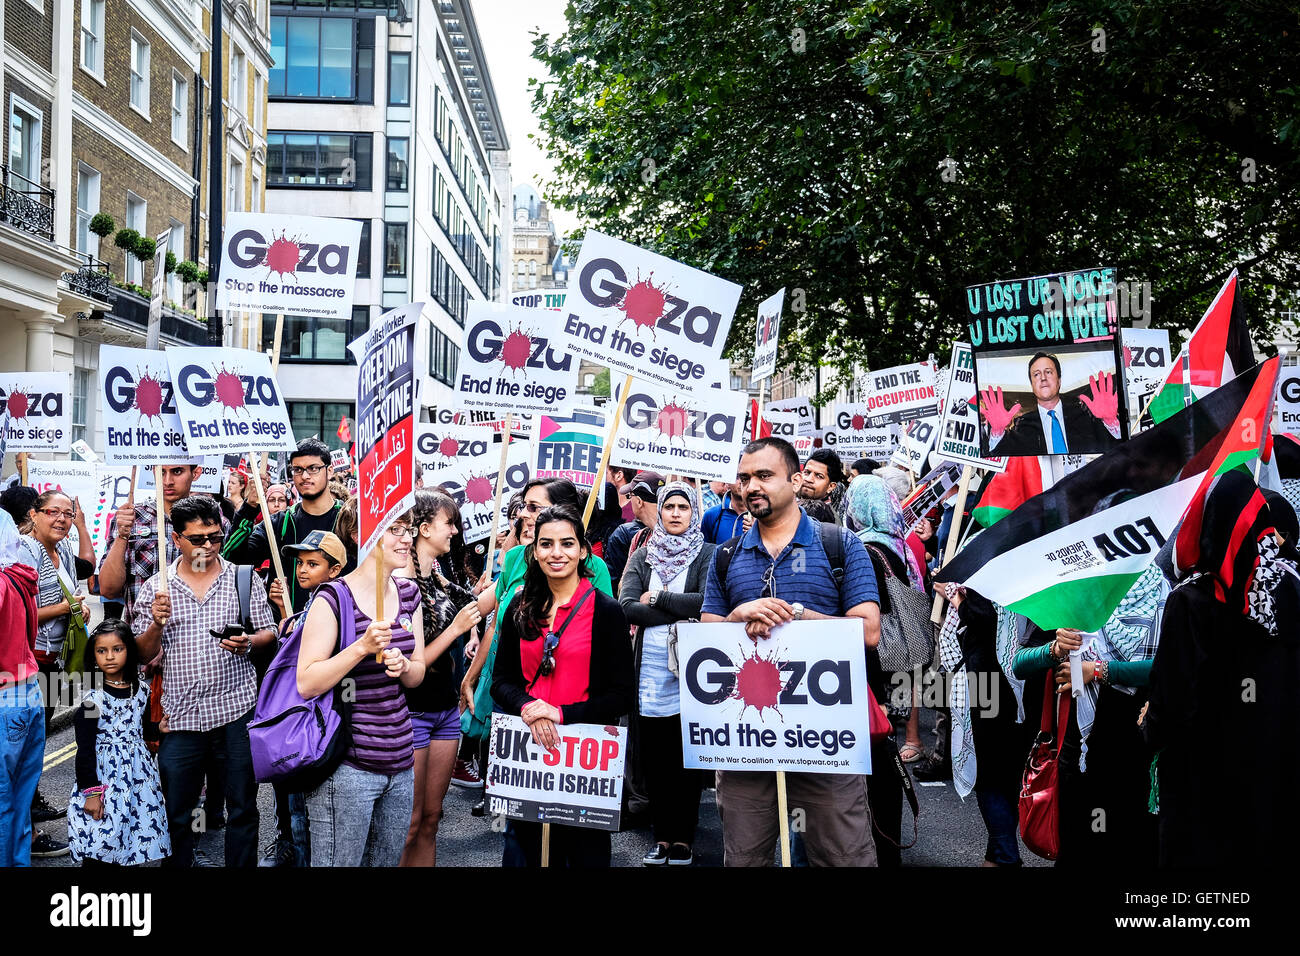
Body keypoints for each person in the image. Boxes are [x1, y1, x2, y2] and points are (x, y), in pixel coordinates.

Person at [701, 437, 882, 867]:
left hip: (827, 742)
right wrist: (736, 617)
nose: (751, 487)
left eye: (764, 476)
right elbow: (707, 635)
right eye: (744, 478)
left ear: (796, 480)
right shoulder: (726, 555)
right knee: (745, 857)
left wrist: (796, 616)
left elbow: (869, 632)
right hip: (745, 744)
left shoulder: (841, 544)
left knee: (842, 856)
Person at [1143, 471, 1300, 866]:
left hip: (1204, 787)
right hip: (1273, 779)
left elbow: (1171, 706)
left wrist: (1149, 723)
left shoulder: (1191, 603)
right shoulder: (1291, 589)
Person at [132, 495, 278, 868]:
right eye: (198, 539)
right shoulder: (155, 589)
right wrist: (156, 624)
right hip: (181, 719)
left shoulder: (243, 579)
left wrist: (248, 643)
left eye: (215, 536)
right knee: (179, 813)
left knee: (243, 807)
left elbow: (269, 634)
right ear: (177, 539)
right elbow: (142, 656)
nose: (209, 546)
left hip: (236, 712)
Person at [492, 504, 635, 867]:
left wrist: (559, 713)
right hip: (527, 755)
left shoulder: (606, 610)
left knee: (582, 856)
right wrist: (528, 706)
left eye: (567, 543)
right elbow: (502, 681)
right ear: (534, 551)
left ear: (583, 550)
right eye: (546, 544)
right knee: (526, 852)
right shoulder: (518, 607)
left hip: (583, 762)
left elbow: (621, 695)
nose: (557, 553)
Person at [295, 513, 426, 867]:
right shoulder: (333, 596)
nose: (406, 539)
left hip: (401, 760)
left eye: (408, 530)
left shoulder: (409, 592)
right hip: (348, 765)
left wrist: (403, 665)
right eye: (393, 530)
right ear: (360, 535)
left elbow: (418, 675)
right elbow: (306, 681)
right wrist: (361, 648)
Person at [459, 479, 615, 752]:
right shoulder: (515, 558)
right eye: (523, 506)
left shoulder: (595, 567)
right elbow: (495, 623)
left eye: (533, 507)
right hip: (510, 701)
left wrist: (561, 710)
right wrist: (471, 678)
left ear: (560, 512)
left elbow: (605, 654)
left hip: (572, 710)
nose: (522, 513)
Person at [619, 482, 714, 866]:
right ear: (660, 511)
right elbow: (626, 605)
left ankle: (684, 839)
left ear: (694, 512)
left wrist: (657, 599)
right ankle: (661, 838)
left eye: (683, 507)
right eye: (669, 507)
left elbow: (707, 602)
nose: (675, 513)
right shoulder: (643, 556)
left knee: (686, 758)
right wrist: (680, 611)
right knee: (655, 759)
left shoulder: (707, 553)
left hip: (692, 673)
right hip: (650, 675)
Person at [399, 491, 482, 867]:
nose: (454, 531)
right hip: (411, 713)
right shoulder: (401, 581)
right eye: (449, 523)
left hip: (446, 711)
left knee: (432, 820)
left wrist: (519, 550)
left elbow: (479, 604)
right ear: (424, 527)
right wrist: (457, 630)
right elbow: (412, 666)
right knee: (409, 823)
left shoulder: (437, 574)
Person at [18, 489, 94, 834]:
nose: (61, 519)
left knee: (38, 739)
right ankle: (23, 825)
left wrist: (79, 607)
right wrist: (65, 609)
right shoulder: (25, 550)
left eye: (68, 513)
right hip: (27, 661)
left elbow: (83, 576)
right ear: (34, 514)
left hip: (54, 661)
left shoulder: (62, 547)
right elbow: (19, 612)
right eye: (53, 512)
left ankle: (31, 804)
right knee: (23, 743)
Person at [67, 619, 170, 866]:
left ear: (130, 651)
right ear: (93, 656)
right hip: (104, 783)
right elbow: (85, 752)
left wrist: (159, 729)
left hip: (137, 781)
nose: (109, 656)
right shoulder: (92, 702)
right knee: (101, 841)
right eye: (102, 651)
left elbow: (145, 732)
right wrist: (91, 795)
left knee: (131, 838)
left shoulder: (143, 692)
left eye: (117, 649)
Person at [224, 438, 353, 616]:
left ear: (329, 470)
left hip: (344, 626)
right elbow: (232, 558)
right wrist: (249, 507)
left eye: (313, 468)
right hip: (289, 630)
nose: (305, 476)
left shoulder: (349, 520)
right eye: (298, 469)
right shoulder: (279, 523)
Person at [99, 462, 231, 621]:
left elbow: (225, 579)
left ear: (196, 473)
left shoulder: (216, 524)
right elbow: (108, 589)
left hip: (198, 635)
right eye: (161, 472)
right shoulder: (131, 518)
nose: (168, 481)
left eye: (177, 471)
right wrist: (122, 536)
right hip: (144, 635)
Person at [0, 509, 42, 866]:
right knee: (20, 799)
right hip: (27, 690)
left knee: (1, 802)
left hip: (3, 697)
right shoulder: (19, 576)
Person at [981, 352, 1121, 456]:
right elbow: (1004, 458)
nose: (1042, 378)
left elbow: (1118, 449)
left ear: (1059, 380)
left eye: (1048, 372)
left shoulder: (1085, 415)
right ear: (1032, 385)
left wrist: (1111, 421)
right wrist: (997, 433)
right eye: (1036, 374)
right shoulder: (1022, 425)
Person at [603, 470, 666, 585]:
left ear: (638, 502)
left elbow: (613, 584)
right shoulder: (678, 531)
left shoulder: (624, 534)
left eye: (630, 496)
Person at [799, 448, 848, 521]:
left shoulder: (828, 520)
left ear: (831, 486)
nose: (808, 479)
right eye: (807, 472)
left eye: (819, 476)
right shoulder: (788, 507)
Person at [701, 480, 750, 544]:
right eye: (737, 476)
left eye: (745, 477)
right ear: (727, 483)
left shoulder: (763, 516)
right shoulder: (712, 514)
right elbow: (706, 550)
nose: (741, 481)